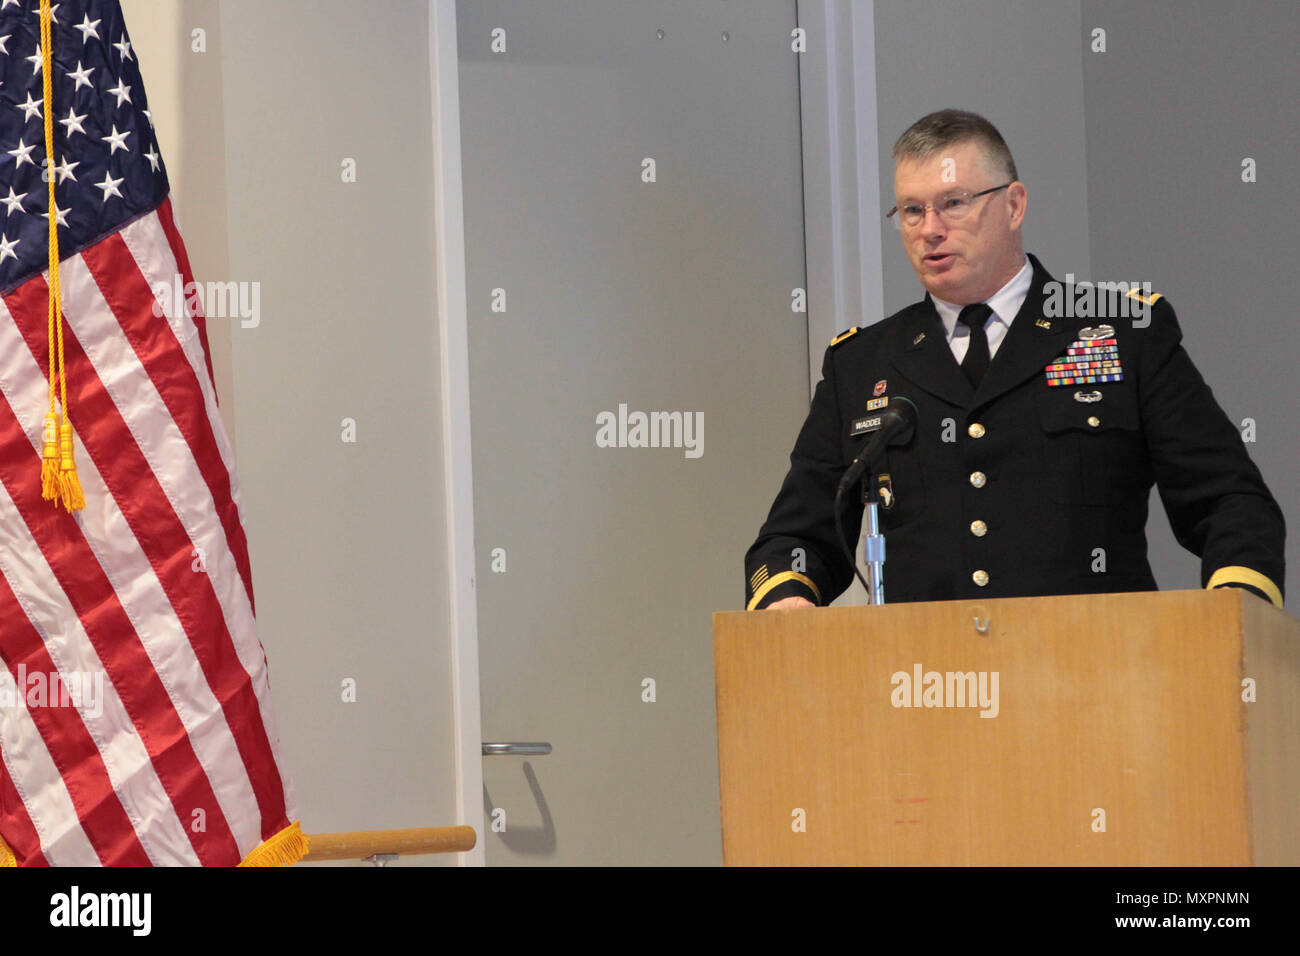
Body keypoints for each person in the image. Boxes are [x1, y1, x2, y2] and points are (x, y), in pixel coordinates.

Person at [744, 109, 1285, 611]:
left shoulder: (1122, 331)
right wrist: (788, 596)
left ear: (1014, 204)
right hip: (926, 689)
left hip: (1098, 681)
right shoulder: (863, 363)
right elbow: (796, 535)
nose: (930, 228)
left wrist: (1233, 603)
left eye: (954, 202)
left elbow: (1229, 502)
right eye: (912, 210)